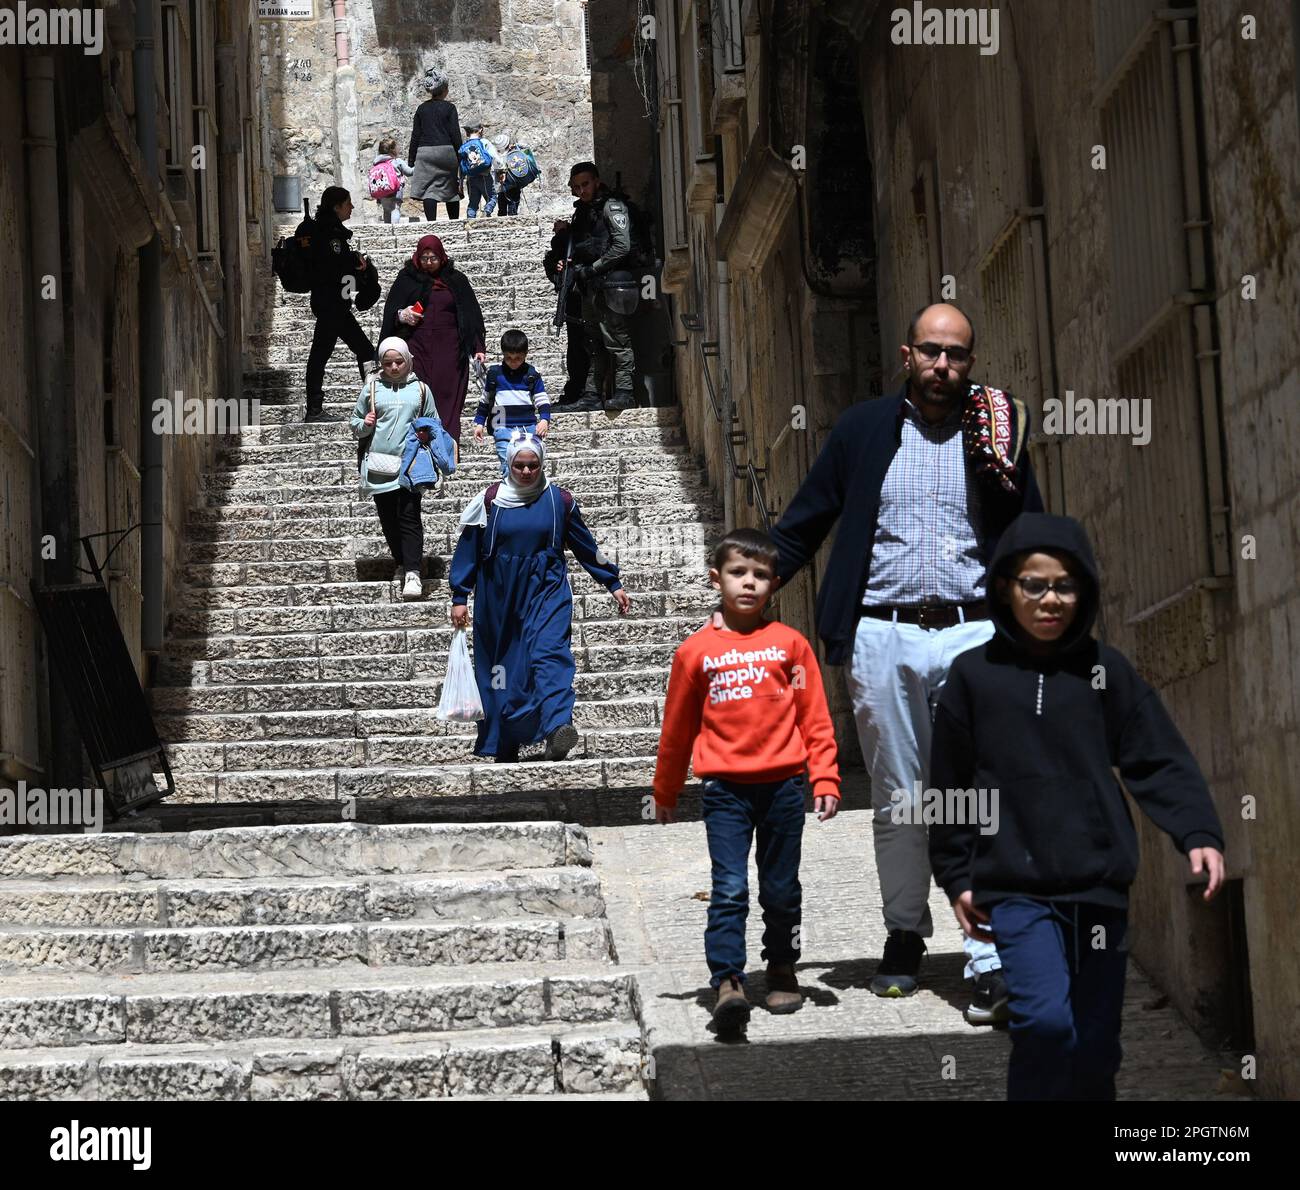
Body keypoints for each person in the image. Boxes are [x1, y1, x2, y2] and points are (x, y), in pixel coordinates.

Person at [769, 302, 1042, 1021]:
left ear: (970, 363)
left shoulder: (995, 435)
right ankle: (903, 933)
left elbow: (1031, 536)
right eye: (930, 352)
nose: (942, 366)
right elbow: (807, 519)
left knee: (980, 793)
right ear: (906, 355)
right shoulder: (862, 431)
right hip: (882, 636)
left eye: (955, 355)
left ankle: (986, 955)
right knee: (899, 794)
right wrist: (750, 582)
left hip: (974, 633)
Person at [929, 512, 1226, 1099]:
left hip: (1098, 889)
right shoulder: (973, 678)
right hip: (1015, 890)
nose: (1050, 599)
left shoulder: (1103, 672)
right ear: (1006, 589)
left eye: (1065, 585)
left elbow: (1156, 757)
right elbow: (951, 786)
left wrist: (1198, 832)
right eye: (1033, 585)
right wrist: (957, 874)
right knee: (1043, 1022)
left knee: (1095, 1046)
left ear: (1083, 590)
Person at [653, 528, 841, 1036]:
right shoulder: (696, 653)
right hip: (725, 793)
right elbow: (677, 727)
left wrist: (824, 776)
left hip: (783, 788)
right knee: (730, 887)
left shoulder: (790, 647)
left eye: (760, 576)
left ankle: (782, 966)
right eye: (739, 573)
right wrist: (665, 790)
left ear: (774, 585)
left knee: (781, 890)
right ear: (716, 579)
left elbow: (815, 718)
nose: (749, 584)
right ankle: (728, 981)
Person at [450, 433, 631, 763]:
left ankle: (558, 725)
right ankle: (504, 742)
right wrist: (459, 595)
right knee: (502, 671)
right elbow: (468, 551)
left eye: (533, 465)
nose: (527, 471)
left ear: (542, 464)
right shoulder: (490, 501)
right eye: (519, 465)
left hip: (546, 591)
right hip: (499, 600)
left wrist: (612, 582)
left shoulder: (559, 501)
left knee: (550, 654)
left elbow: (587, 547)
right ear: (509, 464)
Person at [379, 233, 486, 449]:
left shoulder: (456, 280)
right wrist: (403, 314)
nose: (429, 263)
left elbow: (470, 314)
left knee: (447, 396)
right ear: (418, 257)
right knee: (419, 394)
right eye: (425, 258)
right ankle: (419, 444)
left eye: (433, 258)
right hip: (417, 346)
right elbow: (392, 311)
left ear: (442, 257)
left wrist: (478, 347)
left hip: (450, 348)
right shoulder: (406, 279)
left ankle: (447, 446)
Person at [349, 337, 435, 600]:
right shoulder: (372, 389)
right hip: (380, 464)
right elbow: (355, 425)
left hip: (410, 464)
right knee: (388, 518)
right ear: (381, 364)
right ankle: (401, 561)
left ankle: (412, 571)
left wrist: (426, 435)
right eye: (388, 363)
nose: (394, 367)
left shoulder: (421, 389)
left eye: (399, 362)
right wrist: (366, 423)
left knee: (409, 516)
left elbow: (433, 421)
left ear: (408, 360)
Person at [555, 162, 642, 412]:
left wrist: (593, 268)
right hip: (592, 287)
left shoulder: (611, 206)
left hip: (612, 283)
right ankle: (592, 394)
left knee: (617, 340)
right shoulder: (584, 212)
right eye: (577, 187)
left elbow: (621, 246)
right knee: (593, 343)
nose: (582, 190)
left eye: (585, 184)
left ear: (596, 181)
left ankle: (625, 391)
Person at [305, 186, 375, 424]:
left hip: (333, 304)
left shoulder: (325, 231)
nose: (352, 208)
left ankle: (317, 406)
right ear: (337, 207)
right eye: (348, 203)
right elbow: (333, 268)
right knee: (359, 351)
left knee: (356, 351)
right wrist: (354, 263)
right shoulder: (331, 235)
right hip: (331, 305)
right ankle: (370, 402)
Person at [472, 329, 551, 475]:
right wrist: (479, 423)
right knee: (507, 464)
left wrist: (544, 420)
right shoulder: (494, 374)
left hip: (528, 426)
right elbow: (485, 401)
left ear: (526, 355)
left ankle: (530, 493)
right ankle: (509, 492)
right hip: (501, 424)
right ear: (503, 354)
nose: (513, 362)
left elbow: (542, 399)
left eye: (518, 358)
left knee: (532, 463)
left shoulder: (532, 374)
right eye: (509, 358)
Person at [543, 219, 591, 406]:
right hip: (572, 296)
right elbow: (553, 264)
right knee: (576, 347)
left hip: (587, 294)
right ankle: (578, 388)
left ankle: (588, 389)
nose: (556, 228)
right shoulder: (560, 245)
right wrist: (557, 265)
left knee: (586, 346)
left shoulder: (579, 234)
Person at [408, 69, 463, 221]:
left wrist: (411, 159)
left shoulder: (422, 109)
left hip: (425, 153)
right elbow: (455, 134)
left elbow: (415, 135)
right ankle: (454, 222)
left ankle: (431, 224)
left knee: (429, 190)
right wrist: (460, 156)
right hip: (446, 152)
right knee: (451, 189)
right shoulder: (450, 108)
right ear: (444, 89)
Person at [369, 137, 415, 225]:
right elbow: (409, 172)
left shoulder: (377, 163)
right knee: (395, 209)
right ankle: (395, 228)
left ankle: (387, 228)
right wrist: (418, 165)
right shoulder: (397, 161)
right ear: (393, 150)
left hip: (382, 192)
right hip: (395, 191)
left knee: (386, 210)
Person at [459, 121, 498, 218]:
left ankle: (470, 220)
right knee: (492, 198)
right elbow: (495, 157)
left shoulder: (464, 146)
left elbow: (462, 164)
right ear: (480, 130)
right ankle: (487, 211)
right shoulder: (484, 142)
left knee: (473, 203)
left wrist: (461, 181)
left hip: (471, 178)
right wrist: (501, 169)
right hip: (484, 176)